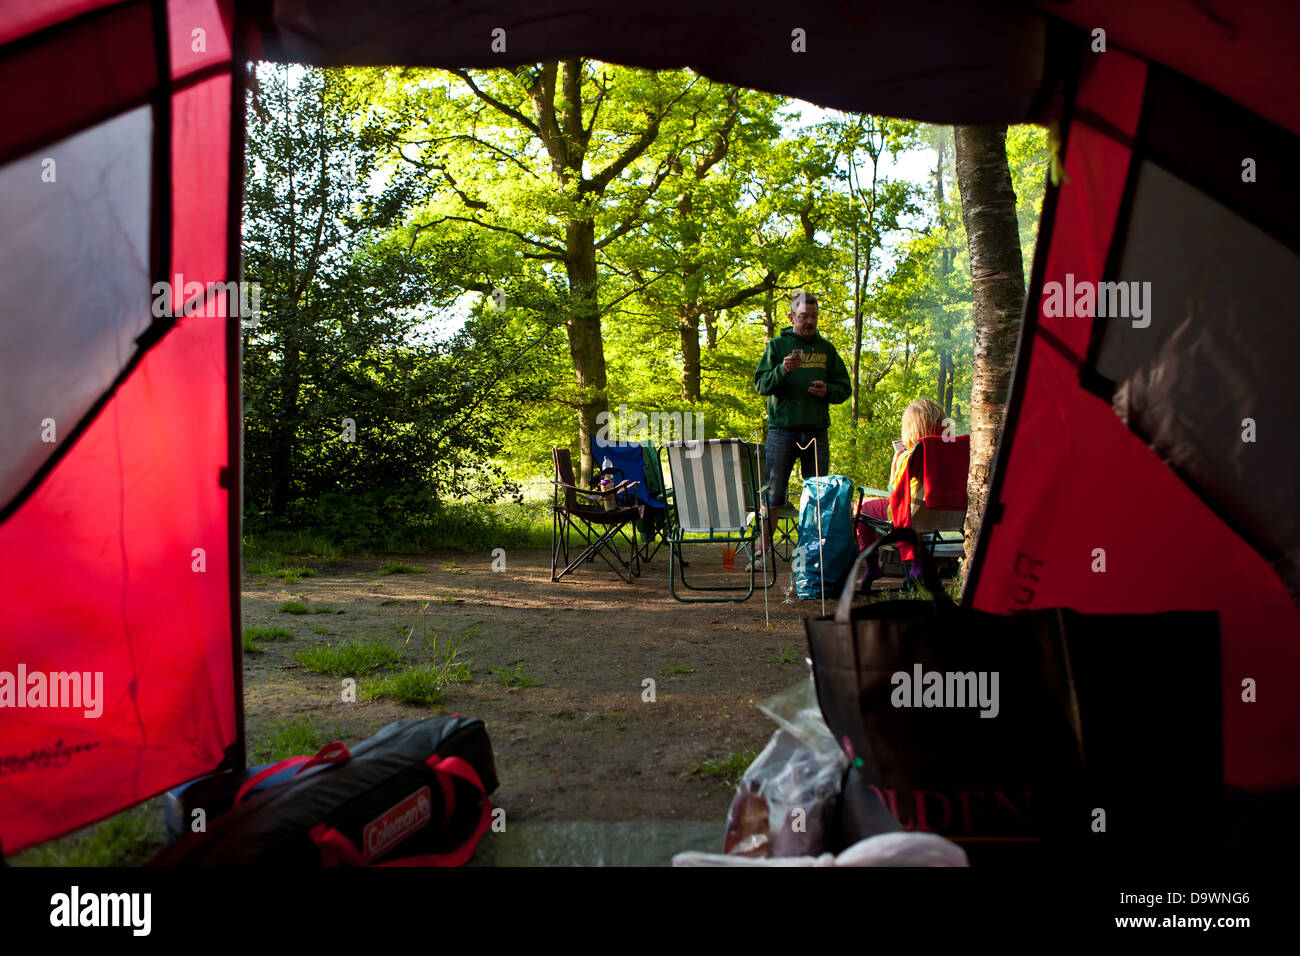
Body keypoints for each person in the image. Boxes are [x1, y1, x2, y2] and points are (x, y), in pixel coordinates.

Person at [753, 290, 852, 556]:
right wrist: (783, 370)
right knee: (772, 495)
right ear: (792, 317)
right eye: (803, 316)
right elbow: (761, 386)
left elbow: (845, 388)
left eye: (814, 317)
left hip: (816, 432)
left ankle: (813, 552)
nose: (809, 322)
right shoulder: (776, 347)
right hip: (782, 432)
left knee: (819, 496)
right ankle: (763, 551)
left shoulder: (826, 349)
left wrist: (827, 391)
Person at [856, 397, 945, 591]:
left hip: (908, 515)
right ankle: (916, 566)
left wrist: (894, 464)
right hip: (942, 514)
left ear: (910, 429)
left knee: (861, 507)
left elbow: (894, 492)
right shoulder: (949, 453)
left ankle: (872, 566)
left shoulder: (909, 455)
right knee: (917, 512)